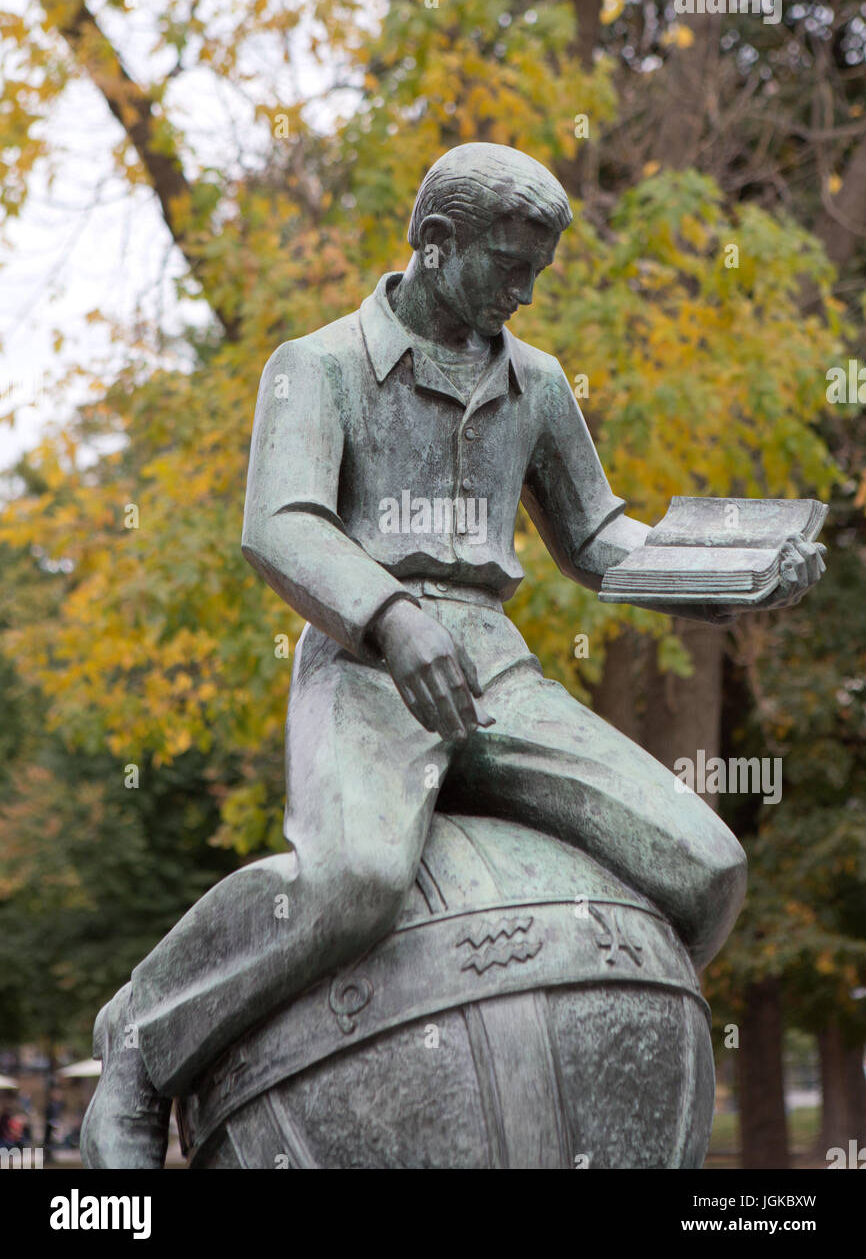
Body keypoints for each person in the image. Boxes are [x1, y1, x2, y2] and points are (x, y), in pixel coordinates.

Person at [81, 143, 823, 1168]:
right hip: (363, 665)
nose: (522, 293)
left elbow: (600, 538)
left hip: (494, 665)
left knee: (705, 869)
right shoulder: (319, 364)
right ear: (435, 247)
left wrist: (738, 572)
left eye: (536, 273)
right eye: (507, 267)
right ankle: (141, 1047)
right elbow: (280, 525)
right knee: (354, 883)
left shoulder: (538, 384)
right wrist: (387, 616)